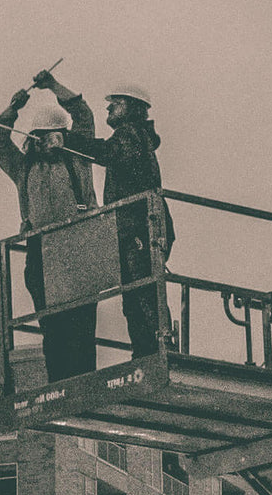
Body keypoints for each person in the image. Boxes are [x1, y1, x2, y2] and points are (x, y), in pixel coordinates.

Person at [32, 73, 174, 358]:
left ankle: (155, 351)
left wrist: (67, 139)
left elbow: (108, 152)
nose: (109, 109)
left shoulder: (131, 134)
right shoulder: (136, 136)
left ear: (132, 107)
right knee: (136, 296)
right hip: (136, 227)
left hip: (139, 228)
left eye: (116, 104)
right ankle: (149, 351)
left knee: (142, 295)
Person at [0, 86, 99, 380]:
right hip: (42, 250)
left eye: (51, 135)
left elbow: (84, 116)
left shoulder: (78, 157)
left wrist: (53, 85)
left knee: (81, 326)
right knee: (52, 329)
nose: (45, 142)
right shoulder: (23, 167)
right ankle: (59, 384)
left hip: (78, 246)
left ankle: (84, 385)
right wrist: (13, 109)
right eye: (39, 135)